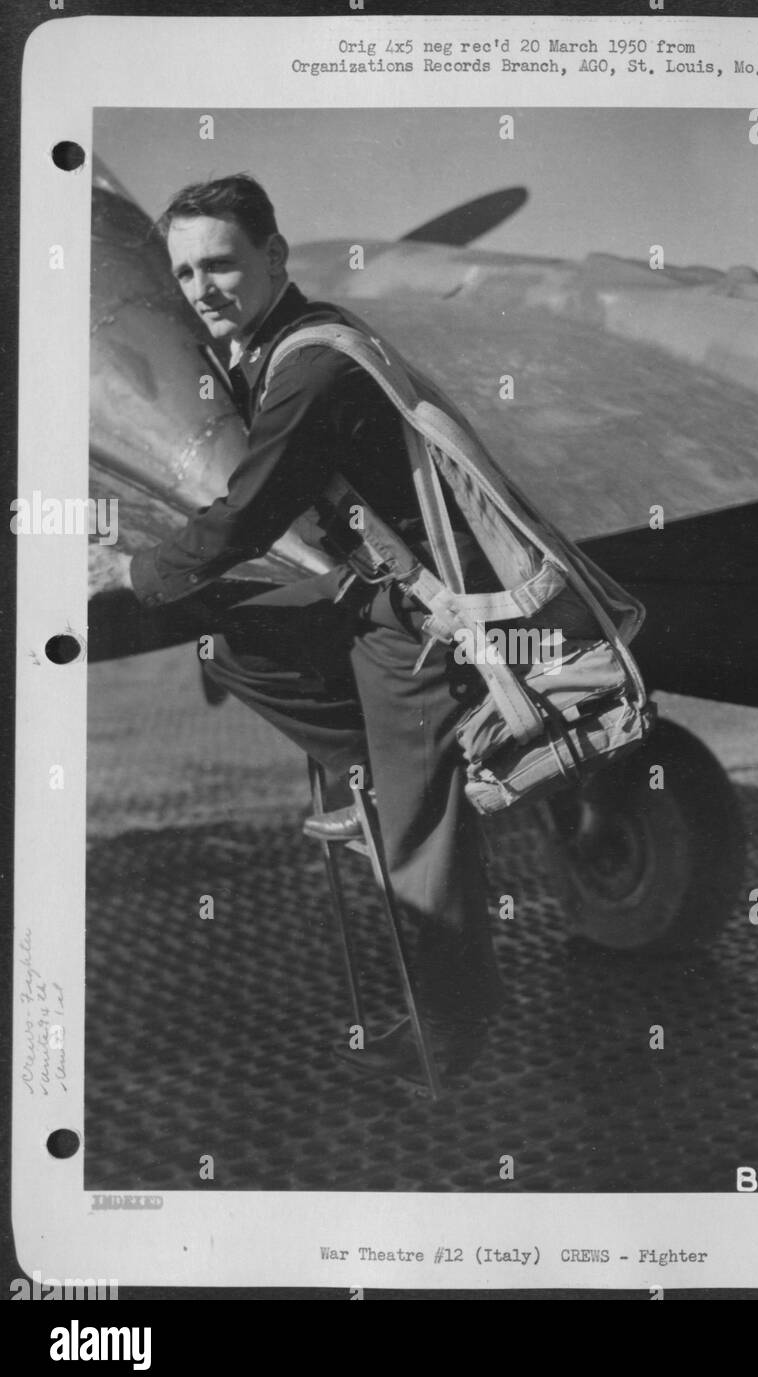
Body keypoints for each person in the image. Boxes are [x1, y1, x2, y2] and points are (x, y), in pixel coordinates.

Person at [115, 174, 505, 1079]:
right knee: (221, 623)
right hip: (378, 601)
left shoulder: (310, 362)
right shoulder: (282, 344)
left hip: (421, 624)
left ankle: (450, 1041)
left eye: (222, 264)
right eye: (185, 275)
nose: (203, 290)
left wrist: (132, 571)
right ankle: (373, 761)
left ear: (275, 257)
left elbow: (249, 514)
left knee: (418, 840)